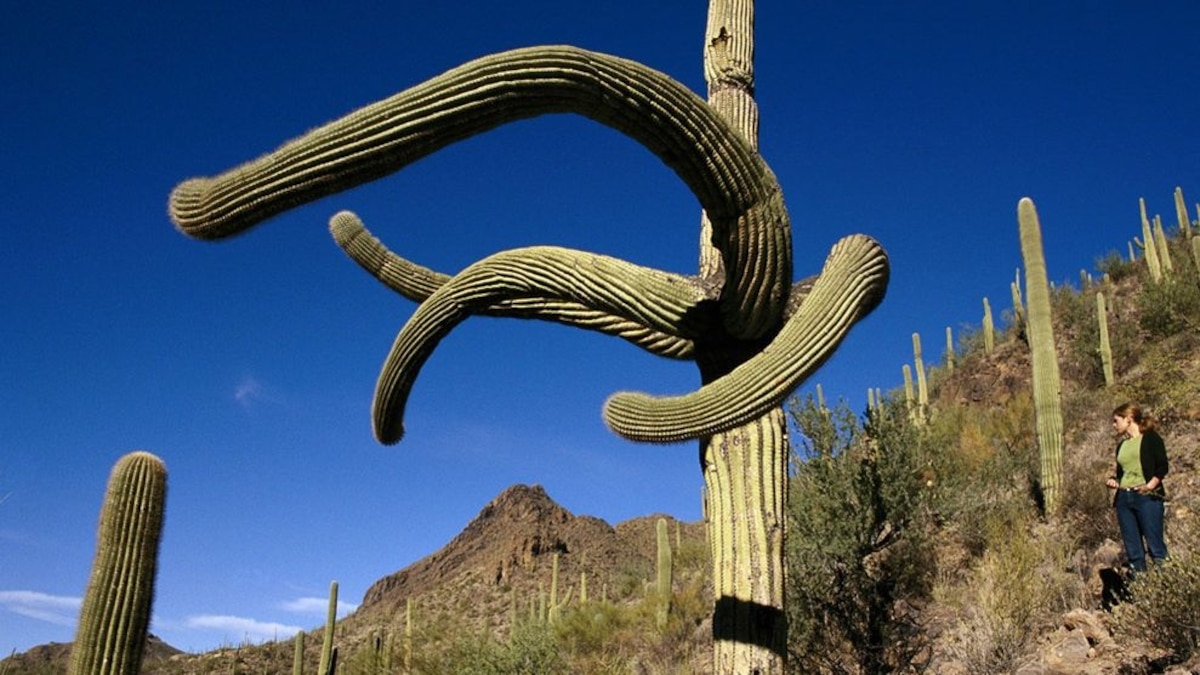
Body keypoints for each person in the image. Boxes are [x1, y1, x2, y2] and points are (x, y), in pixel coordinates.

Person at [1105, 402, 1169, 572]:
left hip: (1146, 497)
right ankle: (1141, 594)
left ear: (1129, 419)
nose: (1113, 425)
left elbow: (1162, 466)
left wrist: (1150, 486)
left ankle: (1165, 590)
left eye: (1116, 421)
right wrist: (1114, 481)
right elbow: (1122, 473)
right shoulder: (1122, 445)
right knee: (1134, 552)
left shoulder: (1150, 438)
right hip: (1124, 500)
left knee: (1156, 548)